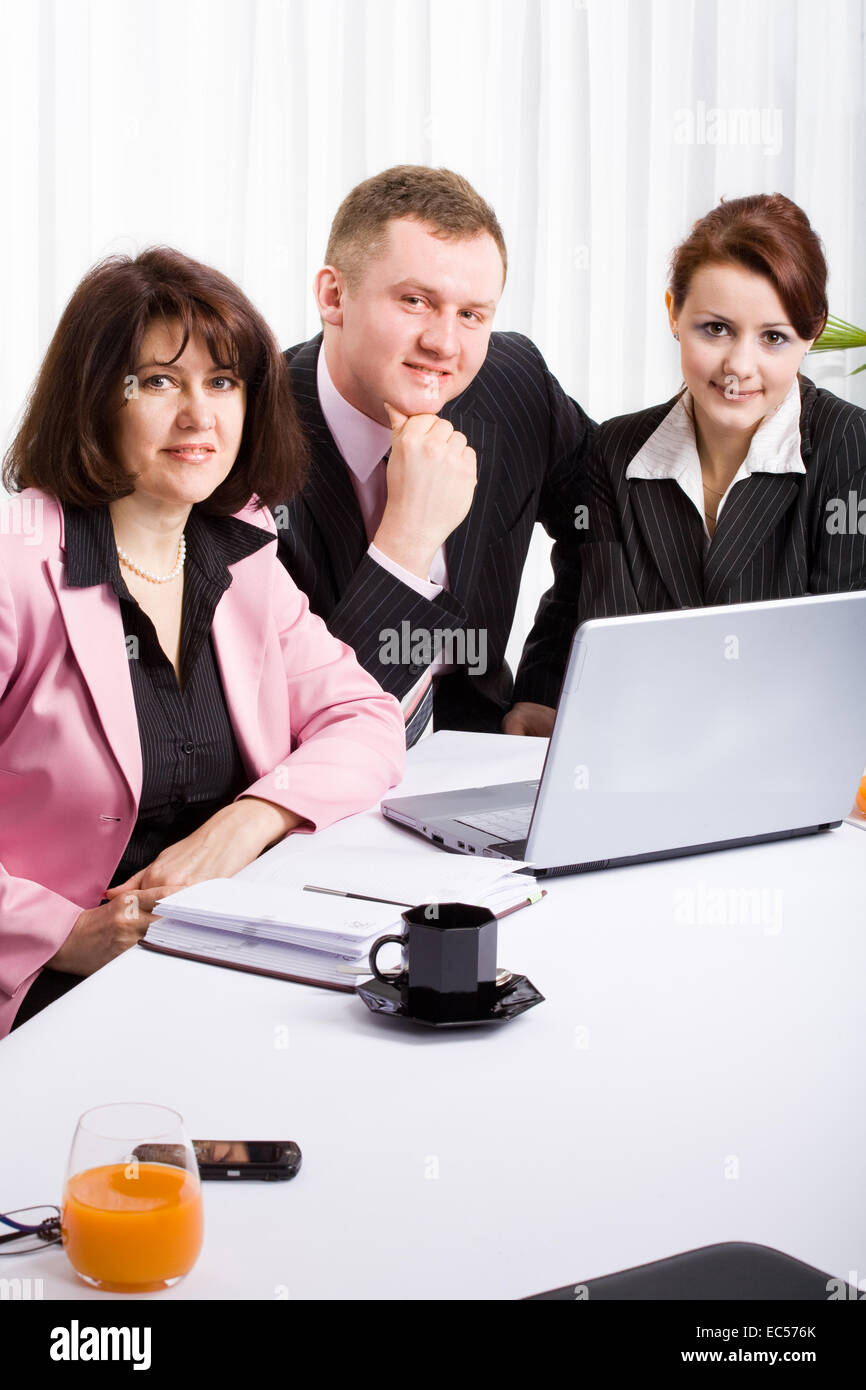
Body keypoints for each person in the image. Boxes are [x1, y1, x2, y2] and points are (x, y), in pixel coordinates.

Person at [0, 248, 405, 1037]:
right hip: (55, 993)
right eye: (158, 382)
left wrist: (242, 826)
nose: (200, 417)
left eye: (223, 383)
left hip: (221, 959)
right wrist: (63, 935)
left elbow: (366, 719)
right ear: (93, 401)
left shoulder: (238, 552)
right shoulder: (18, 569)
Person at [275, 165, 595, 744]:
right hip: (320, 785)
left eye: (472, 314)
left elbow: (610, 521)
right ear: (333, 295)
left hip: (484, 753)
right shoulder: (245, 435)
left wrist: (547, 689)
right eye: (416, 301)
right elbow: (312, 728)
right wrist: (409, 537)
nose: (444, 344)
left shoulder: (514, 384)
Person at [579, 194, 866, 621]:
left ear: (814, 333)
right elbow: (608, 642)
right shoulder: (614, 451)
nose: (739, 367)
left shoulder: (850, 447)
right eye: (716, 329)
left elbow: (839, 655)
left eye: (773, 338)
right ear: (673, 312)